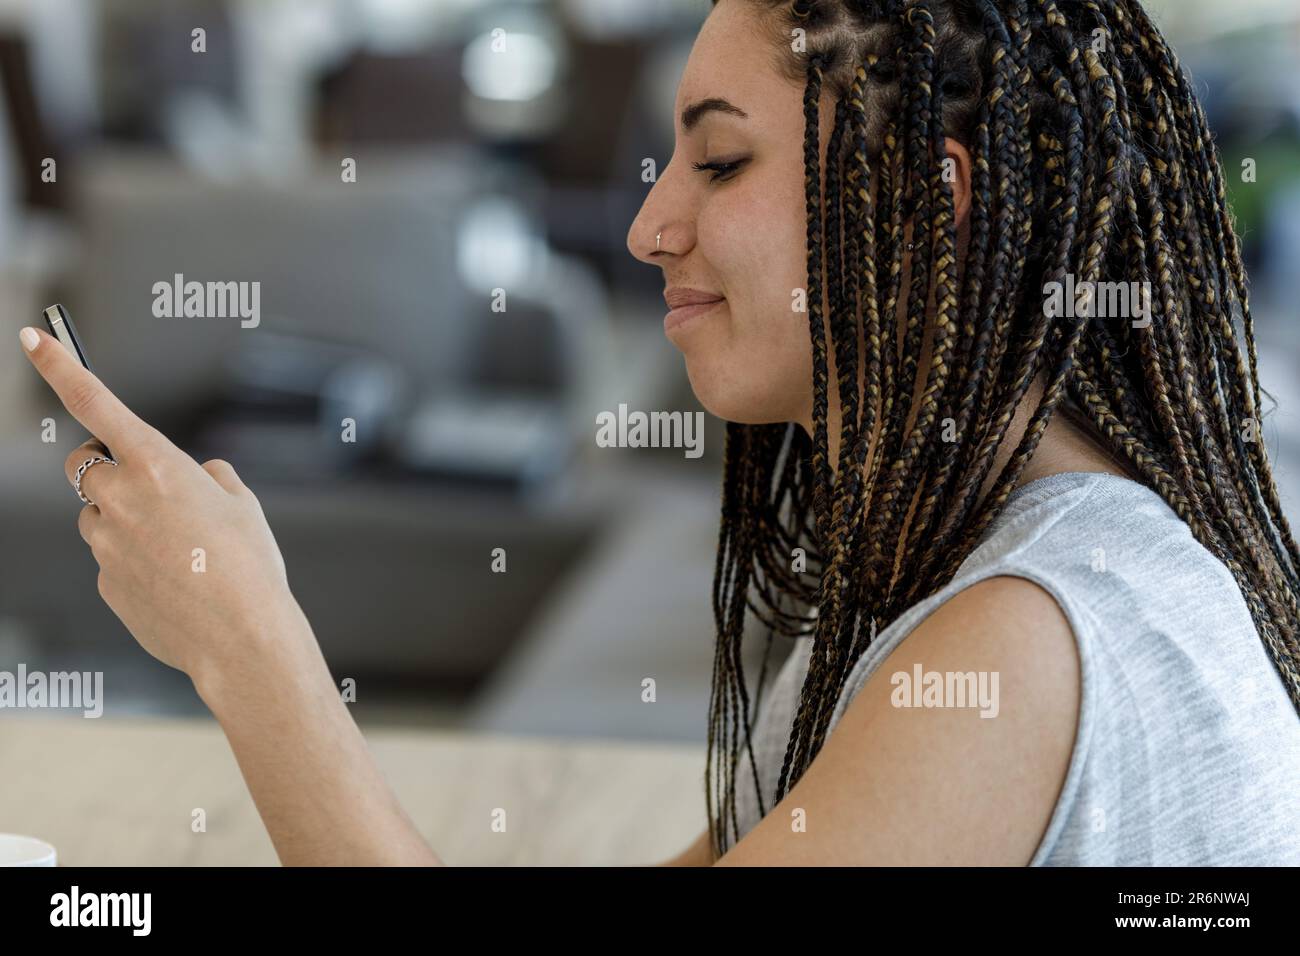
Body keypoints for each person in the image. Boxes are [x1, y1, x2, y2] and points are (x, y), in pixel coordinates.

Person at [18, 0, 1300, 866]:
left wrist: (249, 647)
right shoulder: (958, 575)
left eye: (720, 164)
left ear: (924, 205)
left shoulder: (1017, 647)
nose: (648, 229)